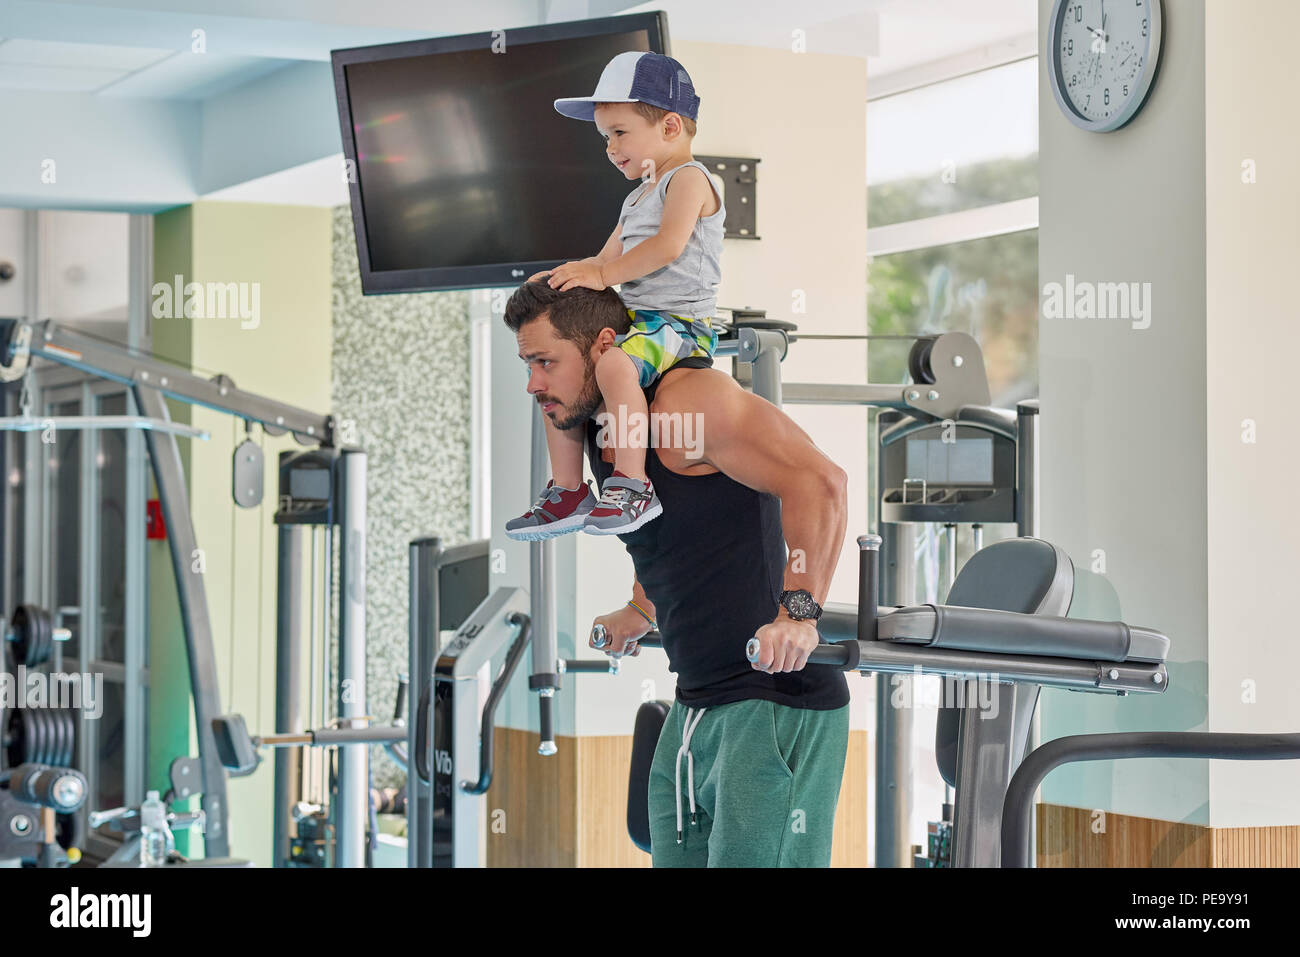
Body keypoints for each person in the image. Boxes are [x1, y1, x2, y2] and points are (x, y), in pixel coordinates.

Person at [503, 281, 851, 868]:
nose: (534, 383)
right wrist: (643, 608)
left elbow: (821, 484)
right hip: (693, 705)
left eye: (545, 362)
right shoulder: (602, 426)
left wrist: (799, 612)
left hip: (773, 701)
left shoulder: (690, 402)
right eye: (527, 364)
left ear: (603, 347)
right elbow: (677, 528)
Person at [506, 51, 725, 541]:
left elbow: (667, 246)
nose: (610, 147)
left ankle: (632, 485)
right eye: (606, 137)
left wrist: (603, 273)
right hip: (640, 317)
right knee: (565, 375)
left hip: (680, 325)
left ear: (670, 126)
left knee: (611, 366)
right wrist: (561, 279)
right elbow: (600, 261)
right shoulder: (637, 195)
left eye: (620, 133)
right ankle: (569, 490)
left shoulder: (689, 180)